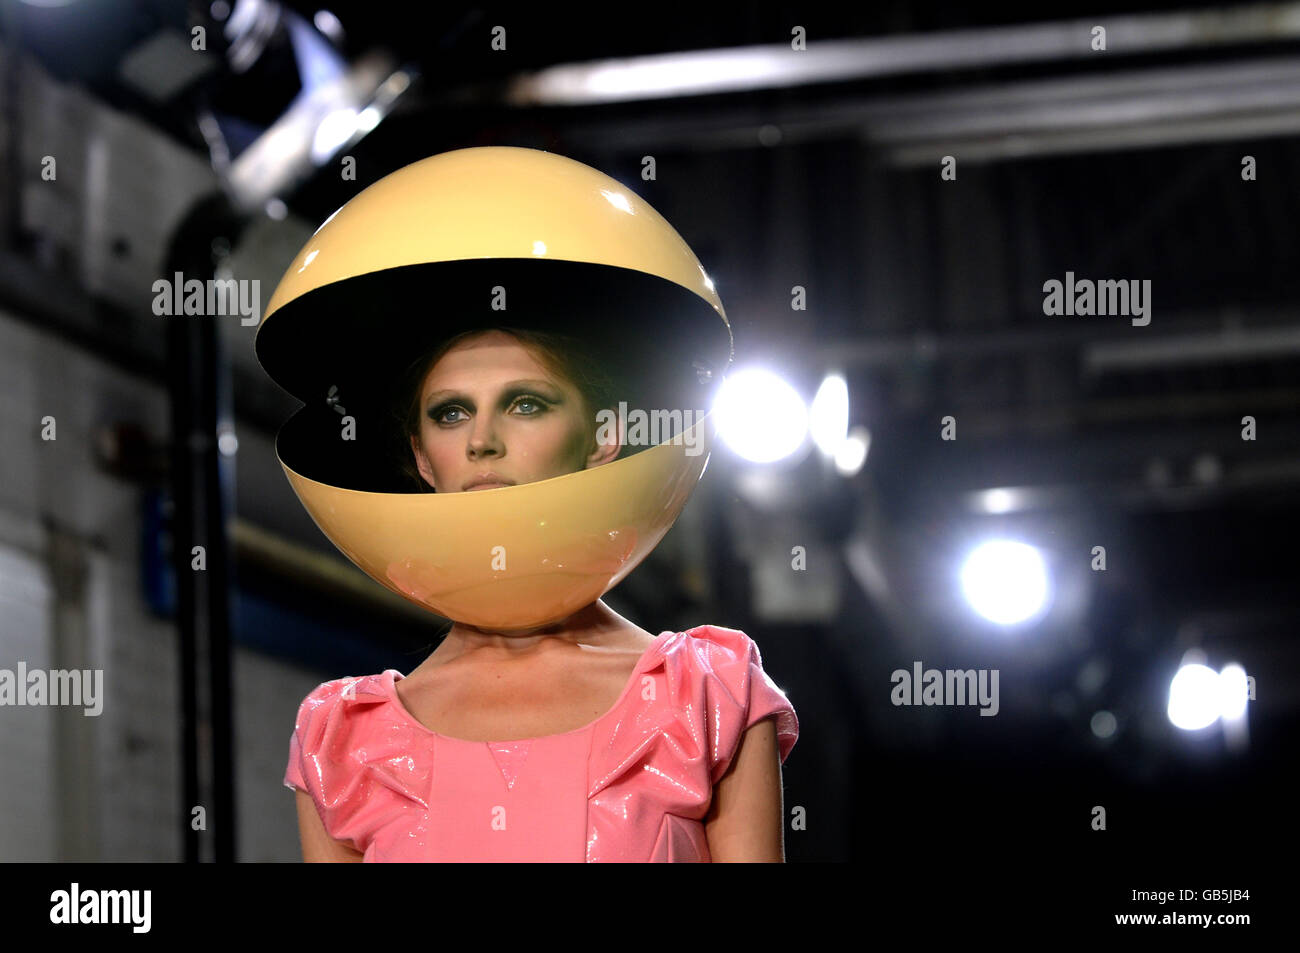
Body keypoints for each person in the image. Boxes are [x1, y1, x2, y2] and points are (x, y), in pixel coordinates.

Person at [258, 146, 799, 862]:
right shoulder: (344, 739)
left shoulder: (706, 698)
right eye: (450, 413)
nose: (482, 439)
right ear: (422, 457)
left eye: (523, 403)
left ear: (604, 435)